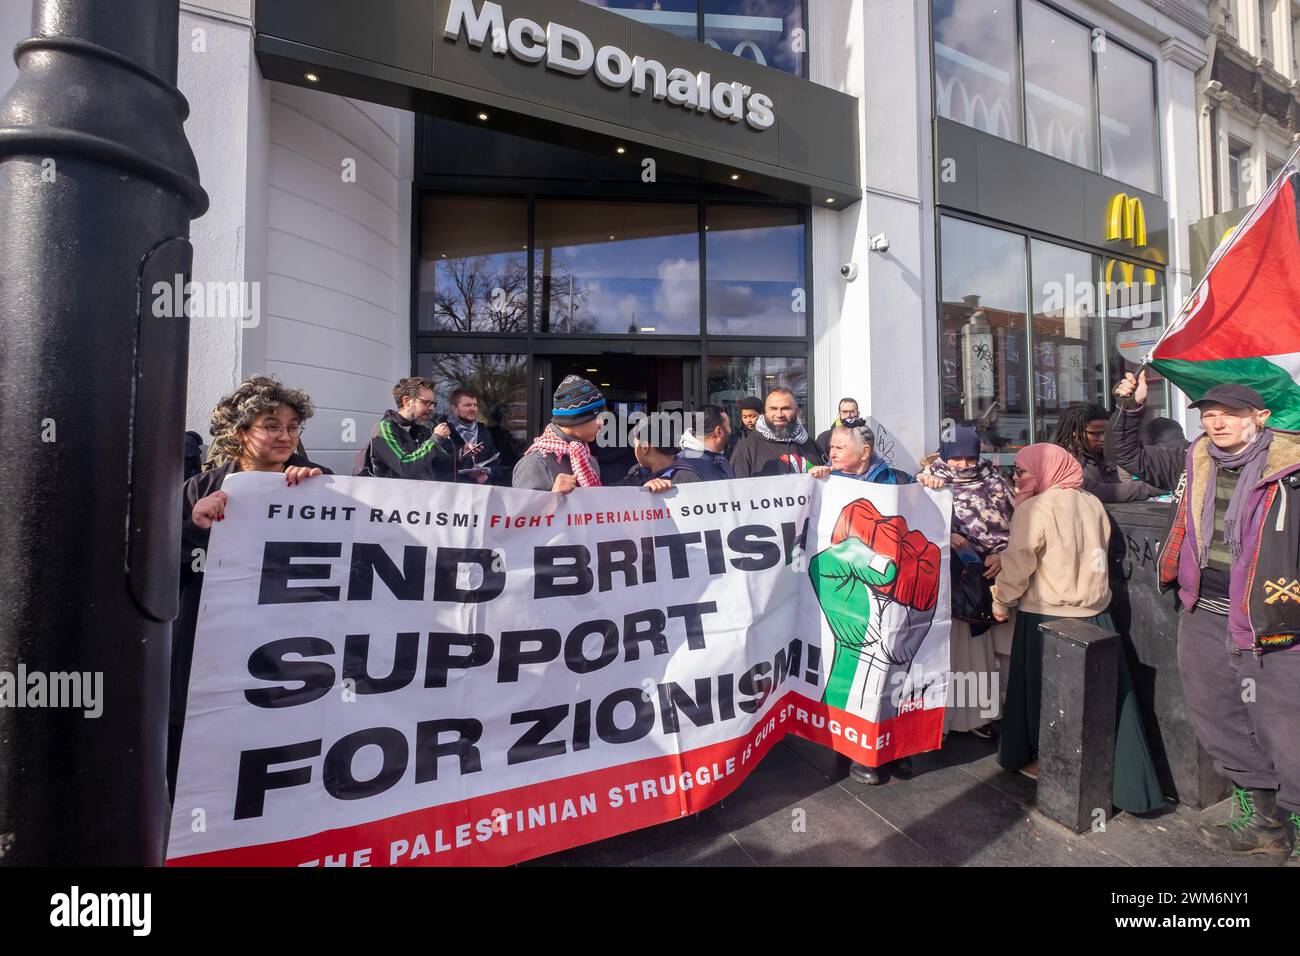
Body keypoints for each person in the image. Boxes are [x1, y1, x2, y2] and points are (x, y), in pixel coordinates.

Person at [1115, 373, 1300, 863]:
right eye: (1209, 414)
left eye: (1231, 414)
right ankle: (1265, 825)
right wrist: (1131, 407)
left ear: (1260, 418)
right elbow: (1129, 457)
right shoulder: (1194, 460)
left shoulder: (1292, 471)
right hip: (1203, 612)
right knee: (1218, 716)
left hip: (1272, 621)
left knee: (1287, 726)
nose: (1216, 423)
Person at [172, 376, 332, 795]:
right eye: (272, 425)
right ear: (241, 431)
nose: (286, 436)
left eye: (293, 426)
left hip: (289, 647)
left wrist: (320, 498)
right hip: (210, 648)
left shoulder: (319, 483)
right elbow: (161, 572)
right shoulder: (199, 490)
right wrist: (191, 525)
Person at [991, 444, 1164, 814]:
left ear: (1044, 470)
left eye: (1022, 471)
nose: (1018, 478)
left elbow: (1019, 562)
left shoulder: (1034, 509)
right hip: (1097, 614)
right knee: (1109, 701)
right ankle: (1128, 786)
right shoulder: (1090, 502)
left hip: (1047, 615)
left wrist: (1001, 601)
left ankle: (1052, 766)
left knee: (1049, 701)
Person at [916, 425, 1014, 738]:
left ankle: (977, 718)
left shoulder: (994, 480)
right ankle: (941, 721)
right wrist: (947, 534)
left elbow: (1016, 524)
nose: (963, 464)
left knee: (979, 652)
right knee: (946, 652)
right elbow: (913, 524)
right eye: (956, 457)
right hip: (947, 581)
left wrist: (1003, 555)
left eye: (969, 457)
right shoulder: (927, 482)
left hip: (987, 577)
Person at [513, 375, 672, 494]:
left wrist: (643, 491)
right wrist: (552, 496)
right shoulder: (535, 463)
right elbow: (518, 525)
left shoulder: (587, 459)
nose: (603, 424)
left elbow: (601, 503)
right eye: (600, 417)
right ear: (578, 417)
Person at [1054, 402, 1163, 502]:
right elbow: (1096, 492)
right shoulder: (1062, 461)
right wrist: (1154, 487)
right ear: (1074, 434)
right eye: (1095, 434)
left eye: (1105, 433)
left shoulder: (1105, 455)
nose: (1102, 439)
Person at [355, 377, 454, 480]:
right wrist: (435, 439)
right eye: (426, 403)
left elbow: (441, 465)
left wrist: (462, 455)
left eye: (433, 404)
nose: (431, 408)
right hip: (394, 494)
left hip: (425, 494)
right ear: (407, 401)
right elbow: (404, 466)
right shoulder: (385, 428)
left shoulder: (422, 430)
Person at [731, 387, 826, 478]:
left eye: (786, 408)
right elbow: (736, 491)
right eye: (773, 409)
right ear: (765, 411)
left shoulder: (811, 446)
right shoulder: (746, 449)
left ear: (796, 411)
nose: (779, 414)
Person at [810, 423, 914, 484]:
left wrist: (927, 483)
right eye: (832, 447)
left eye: (839, 448)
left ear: (865, 452)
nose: (832, 454)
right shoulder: (822, 480)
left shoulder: (895, 479)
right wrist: (810, 479)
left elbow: (921, 498)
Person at [444, 388, 504, 485]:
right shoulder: (444, 432)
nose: (473, 409)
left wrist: (487, 475)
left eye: (475, 405)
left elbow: (496, 463)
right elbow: (440, 467)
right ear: (454, 408)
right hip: (455, 492)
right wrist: (472, 479)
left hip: (483, 492)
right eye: (468, 405)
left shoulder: (483, 431)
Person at [664, 405, 734, 482]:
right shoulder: (683, 467)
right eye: (729, 426)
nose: (730, 430)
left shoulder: (721, 459)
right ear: (719, 431)